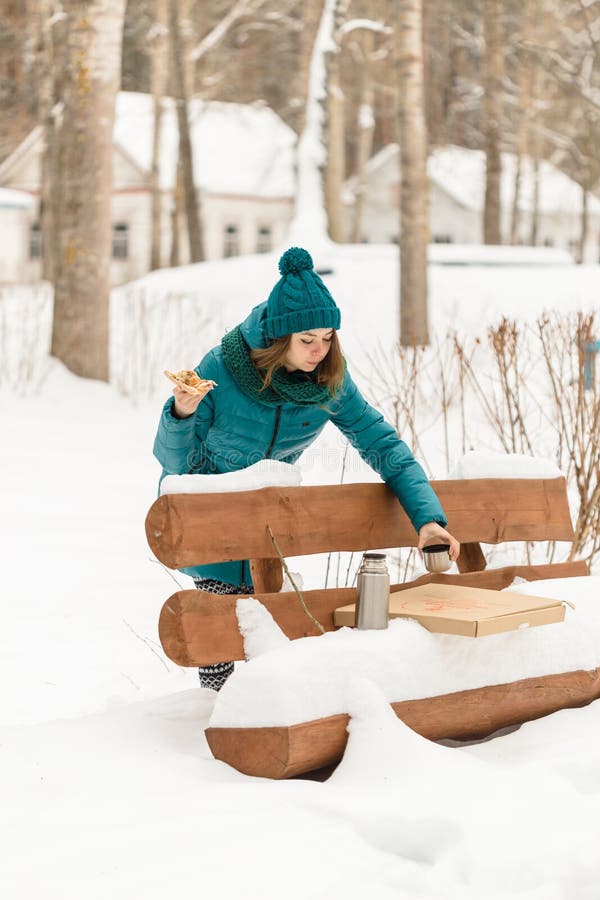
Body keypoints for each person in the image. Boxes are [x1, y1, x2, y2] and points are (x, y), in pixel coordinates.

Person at [153, 246, 460, 690]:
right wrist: (181, 414)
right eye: (307, 340)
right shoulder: (222, 367)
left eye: (328, 337)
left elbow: (384, 447)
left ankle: (254, 710)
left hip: (267, 524)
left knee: (266, 630)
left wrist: (428, 520)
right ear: (280, 338)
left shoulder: (328, 381)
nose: (320, 350)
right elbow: (173, 463)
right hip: (204, 514)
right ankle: (220, 712)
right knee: (226, 625)